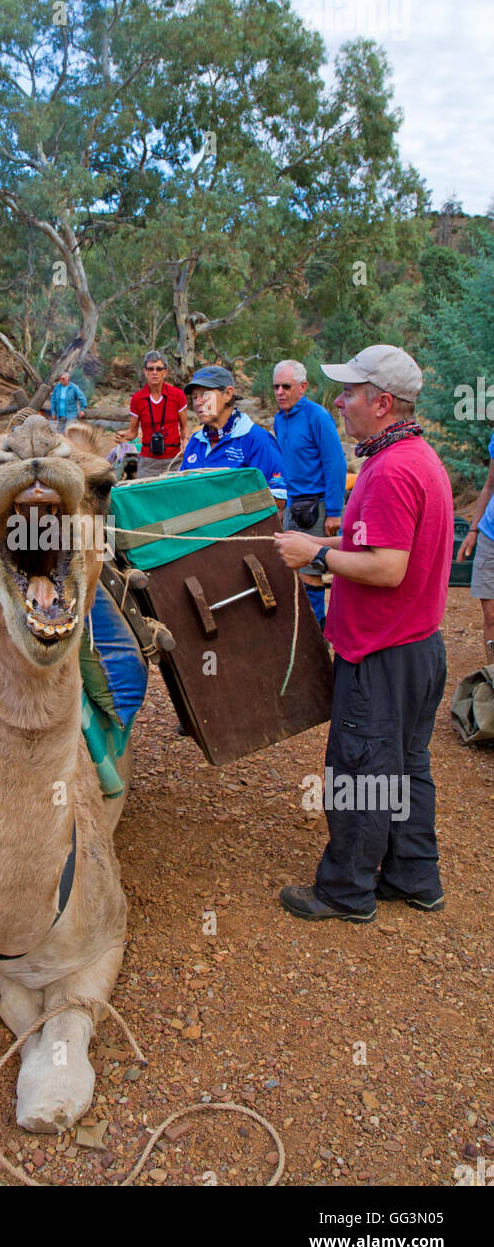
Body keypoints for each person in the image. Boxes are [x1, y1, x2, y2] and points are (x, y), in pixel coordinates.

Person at [274, 345, 452, 923]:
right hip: (418, 649)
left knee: (361, 770)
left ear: (381, 403)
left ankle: (347, 891)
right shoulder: (418, 457)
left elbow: (388, 567)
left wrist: (315, 549)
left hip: (381, 654)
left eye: (349, 392)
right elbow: (389, 561)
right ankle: (413, 877)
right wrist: (334, 569)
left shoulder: (391, 469)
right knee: (405, 765)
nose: (339, 401)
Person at [273, 358, 347, 627]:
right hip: (294, 504)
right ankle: (303, 630)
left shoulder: (318, 416)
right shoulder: (279, 419)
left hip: (318, 506)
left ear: (302, 387)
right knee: (290, 568)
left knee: (311, 571)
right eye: (276, 387)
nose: (280, 392)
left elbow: (335, 463)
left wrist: (334, 512)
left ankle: (317, 634)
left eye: (286, 386)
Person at [180, 365, 287, 511]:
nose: (198, 402)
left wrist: (225, 511)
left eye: (205, 395)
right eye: (194, 397)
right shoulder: (195, 442)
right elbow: (181, 489)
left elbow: (278, 497)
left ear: (228, 394)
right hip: (198, 532)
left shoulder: (256, 439)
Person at [114, 351, 190, 478]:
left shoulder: (178, 395)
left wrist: (185, 441)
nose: (155, 372)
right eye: (151, 369)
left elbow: (184, 427)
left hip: (174, 459)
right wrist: (122, 435)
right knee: (144, 495)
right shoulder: (137, 399)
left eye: (159, 369)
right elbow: (132, 432)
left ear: (165, 372)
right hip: (148, 461)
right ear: (145, 371)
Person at [455, 430, 494, 665]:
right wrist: (473, 530)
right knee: (490, 616)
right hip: (490, 535)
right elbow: (490, 486)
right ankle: (491, 679)